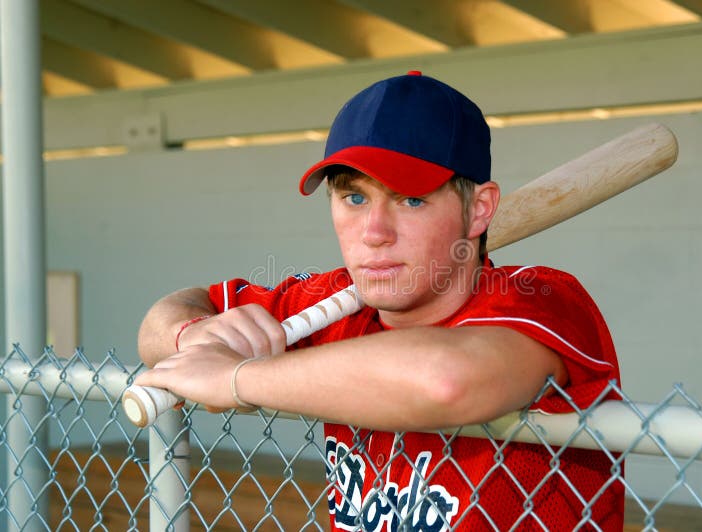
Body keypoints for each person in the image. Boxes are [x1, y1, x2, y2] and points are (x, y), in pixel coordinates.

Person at [135, 71, 624, 530]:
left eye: (411, 199)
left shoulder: (539, 296)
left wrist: (238, 379)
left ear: (478, 211)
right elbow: (165, 317)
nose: (373, 234)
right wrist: (194, 335)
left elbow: (445, 380)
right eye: (353, 198)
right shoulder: (328, 303)